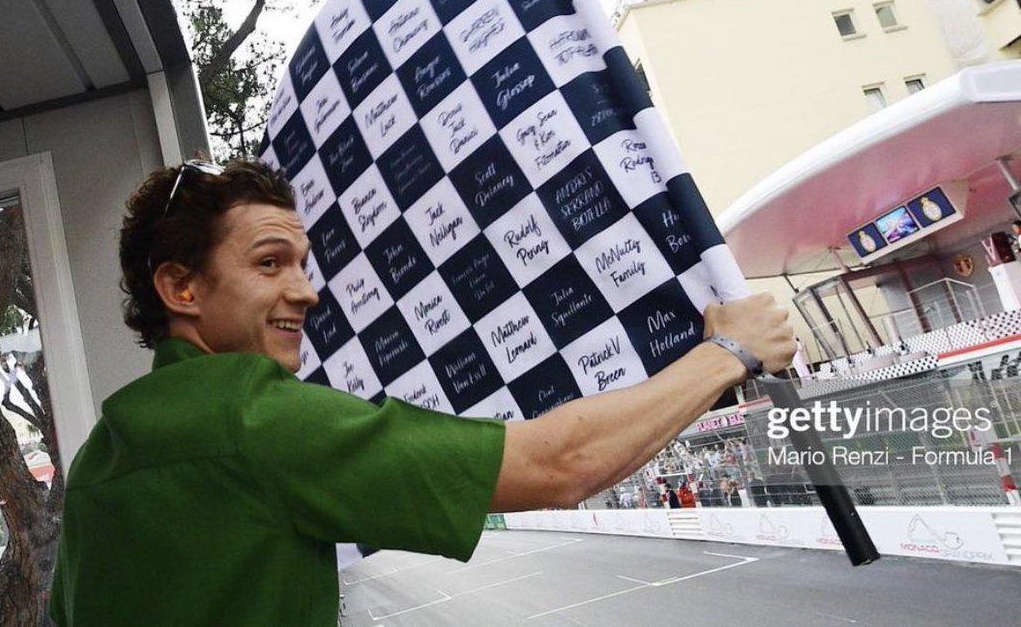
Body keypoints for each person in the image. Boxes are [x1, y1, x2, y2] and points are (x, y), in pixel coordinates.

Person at [48, 158, 796, 626]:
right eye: (271, 263)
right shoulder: (254, 414)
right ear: (180, 286)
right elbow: (559, 464)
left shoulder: (94, 464)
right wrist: (726, 352)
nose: (306, 291)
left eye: (303, 263)